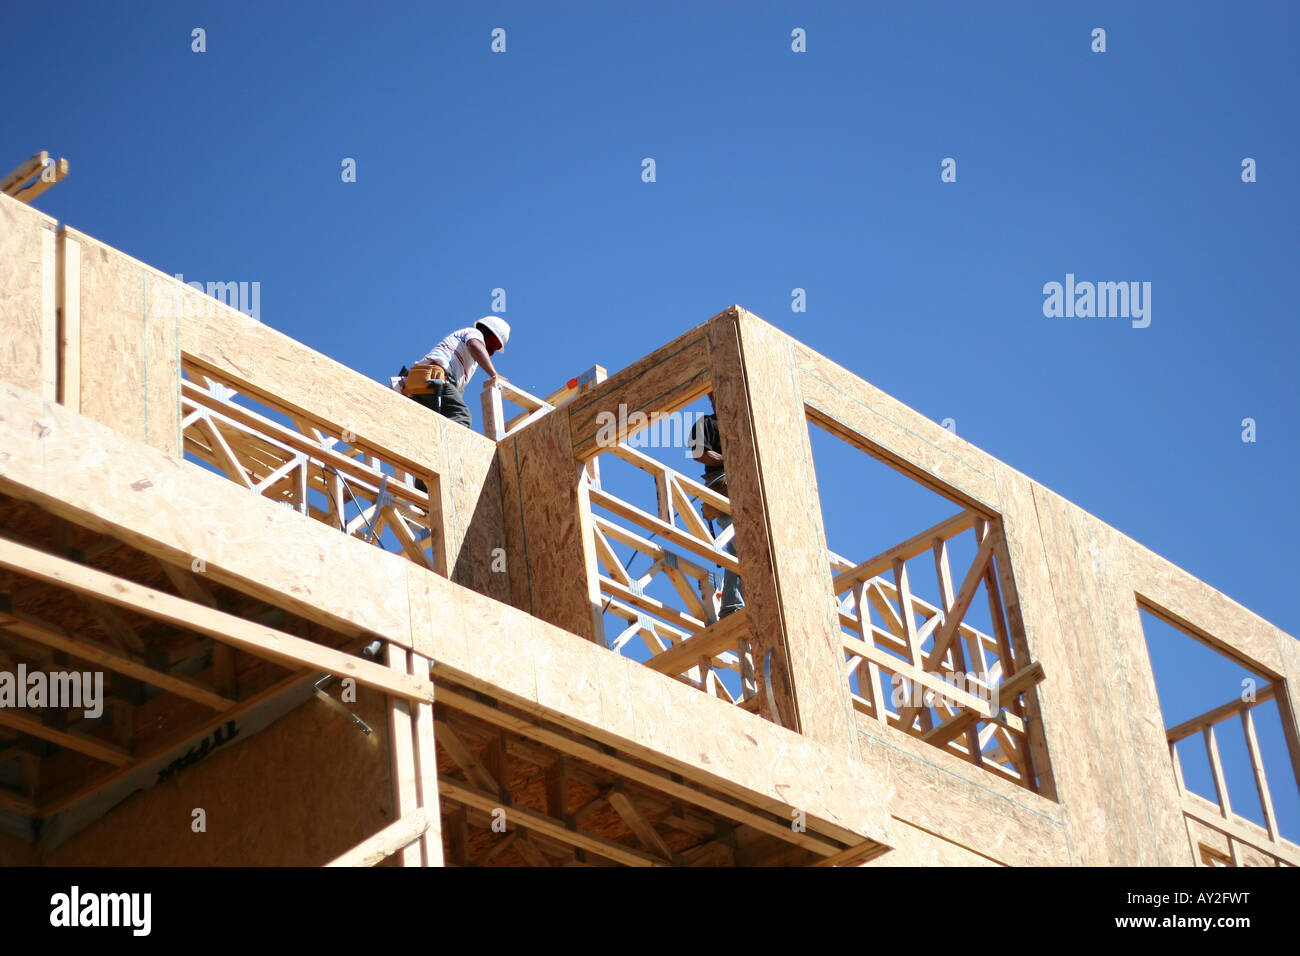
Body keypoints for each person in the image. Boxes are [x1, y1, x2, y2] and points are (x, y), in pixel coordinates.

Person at [394, 317, 510, 429]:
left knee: (430, 425)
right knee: (461, 416)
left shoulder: (468, 365)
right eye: (493, 343)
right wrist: (495, 375)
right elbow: (475, 345)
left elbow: (456, 394)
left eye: (496, 348)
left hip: (422, 386)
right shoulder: (473, 333)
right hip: (433, 380)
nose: (492, 351)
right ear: (482, 331)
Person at [688, 393, 744, 619]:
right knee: (741, 544)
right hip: (723, 486)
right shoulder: (708, 423)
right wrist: (729, 459)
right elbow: (699, 452)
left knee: (749, 545)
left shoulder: (743, 425)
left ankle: (742, 600)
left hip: (745, 487)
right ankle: (732, 605)